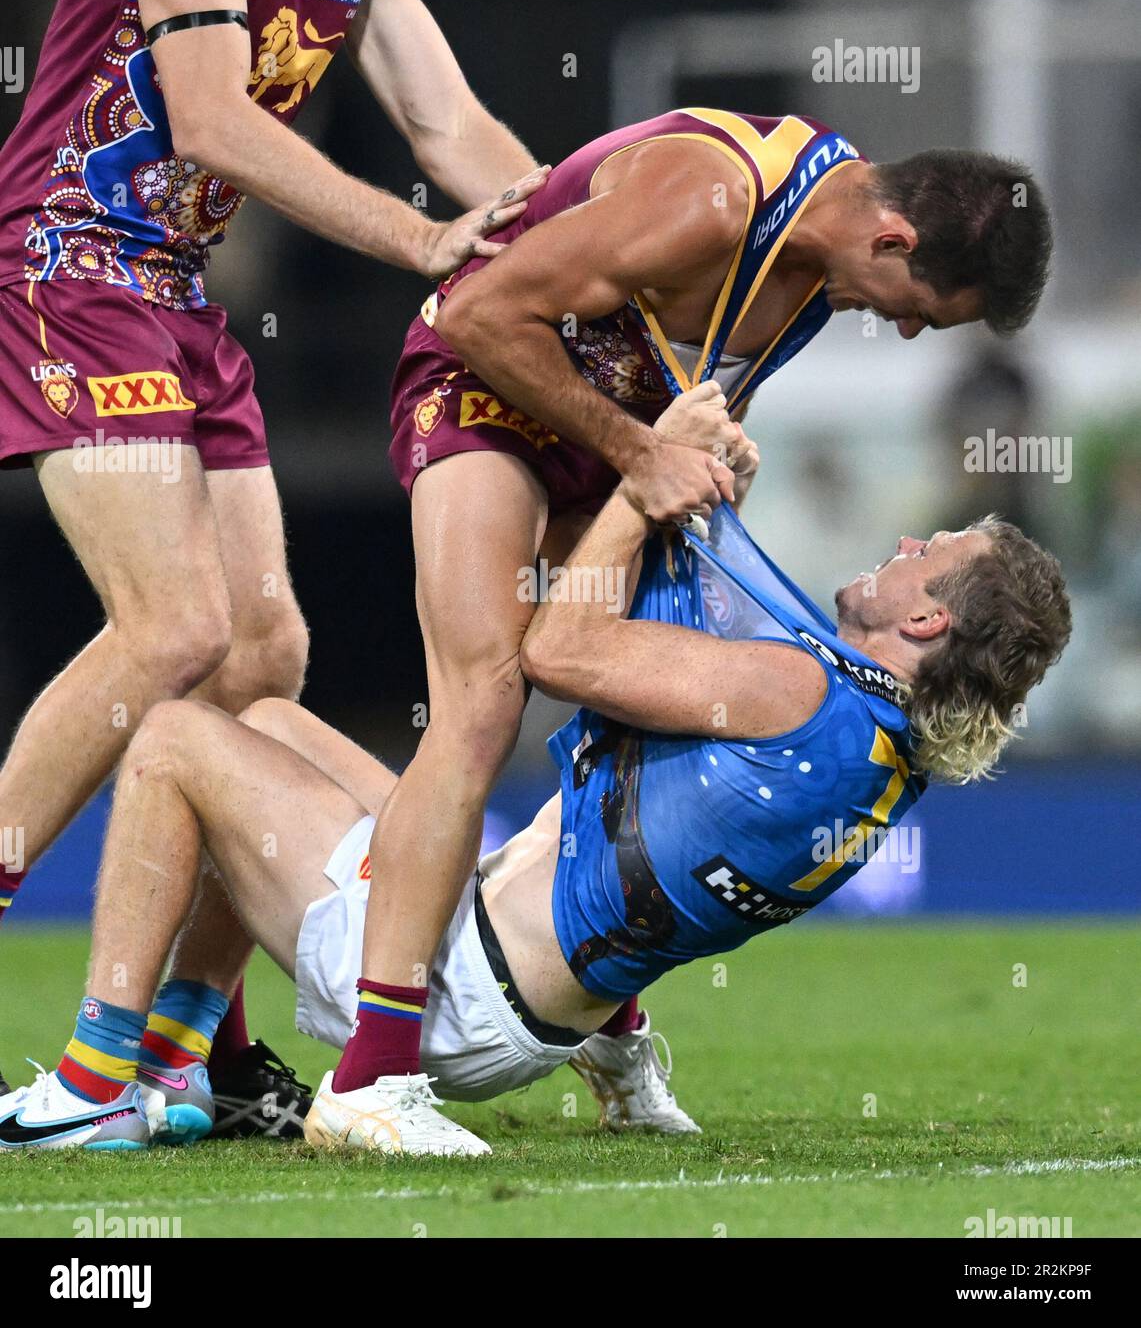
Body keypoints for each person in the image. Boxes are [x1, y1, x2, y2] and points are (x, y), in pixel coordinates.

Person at [0, 390, 1072, 1155]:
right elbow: (654, 844)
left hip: (450, 987)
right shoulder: (881, 759)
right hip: (520, 995)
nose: (900, 538)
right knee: (265, 717)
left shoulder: (802, 693)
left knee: (176, 739)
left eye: (925, 549)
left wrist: (641, 486)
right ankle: (189, 1051)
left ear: (927, 616)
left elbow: (558, 654)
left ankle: (102, 1078)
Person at [337, 107, 1055, 1147]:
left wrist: (713, 445)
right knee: (486, 702)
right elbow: (481, 315)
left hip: (600, 417)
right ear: (893, 242)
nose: (902, 330)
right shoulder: (714, 199)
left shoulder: (819, 255)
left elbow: (680, 380)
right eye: (921, 313)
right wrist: (642, 456)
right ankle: (373, 1076)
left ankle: (610, 1034)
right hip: (483, 386)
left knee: (662, 698)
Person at [0, 0, 545, 1113]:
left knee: (262, 658)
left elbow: (443, 121)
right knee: (173, 630)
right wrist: (419, 242)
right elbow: (208, 123)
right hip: (72, 262)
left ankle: (182, 1051)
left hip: (180, 288)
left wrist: (568, 231)